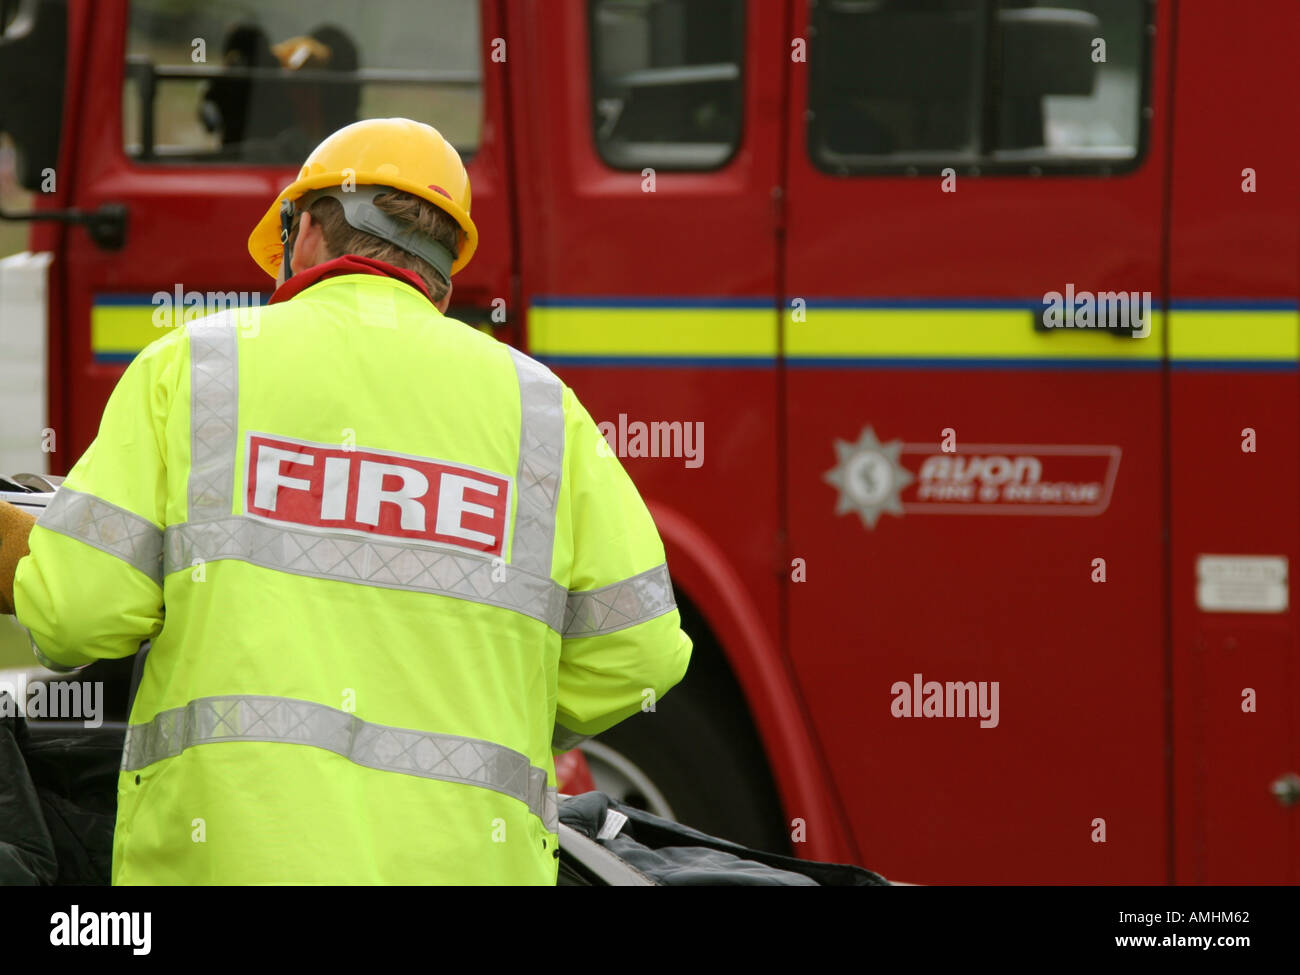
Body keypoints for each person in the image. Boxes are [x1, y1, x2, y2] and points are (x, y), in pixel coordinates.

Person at [0, 117, 692, 885]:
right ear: (442, 270)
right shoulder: (542, 411)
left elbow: (78, 612)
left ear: (304, 232)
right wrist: (489, 699)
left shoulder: (194, 367)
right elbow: (643, 653)